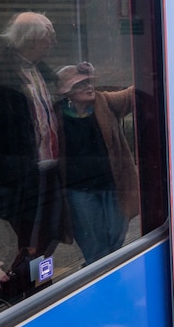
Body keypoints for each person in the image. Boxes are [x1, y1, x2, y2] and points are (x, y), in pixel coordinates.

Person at [0, 11, 66, 305]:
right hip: (21, 175)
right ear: (32, 38)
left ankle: (32, 283)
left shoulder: (39, 69)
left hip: (49, 169)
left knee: (47, 235)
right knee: (34, 240)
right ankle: (14, 288)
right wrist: (0, 176)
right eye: (49, 35)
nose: (54, 41)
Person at [56, 62, 139, 264]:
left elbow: (133, 95)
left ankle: (104, 268)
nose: (89, 87)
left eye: (88, 82)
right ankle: (97, 272)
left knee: (116, 231)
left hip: (112, 184)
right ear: (67, 92)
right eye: (80, 85)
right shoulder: (55, 114)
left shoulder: (104, 102)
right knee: (92, 240)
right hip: (78, 190)